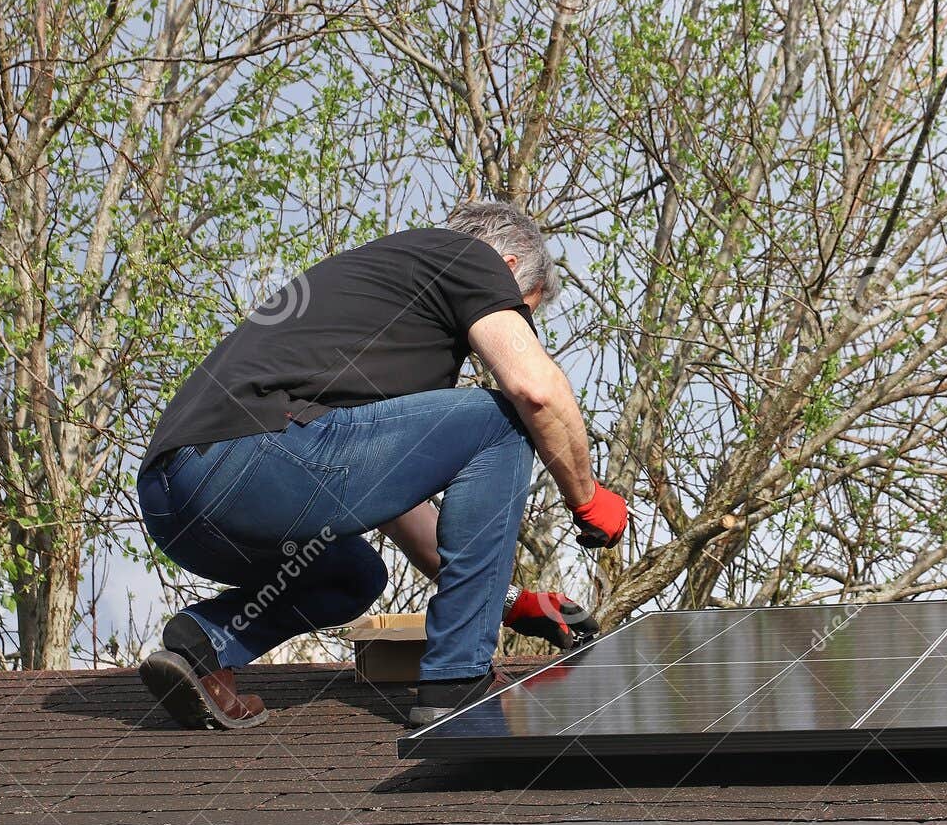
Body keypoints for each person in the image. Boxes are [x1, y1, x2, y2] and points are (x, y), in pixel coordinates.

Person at [134, 202, 627, 730]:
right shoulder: (470, 258)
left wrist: (509, 600)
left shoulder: (380, 308)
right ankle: (458, 680)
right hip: (251, 459)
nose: (517, 323)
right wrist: (586, 497)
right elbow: (536, 392)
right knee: (504, 418)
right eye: (520, 309)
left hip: (177, 501)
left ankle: (206, 642)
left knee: (353, 575)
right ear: (506, 266)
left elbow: (392, 502)